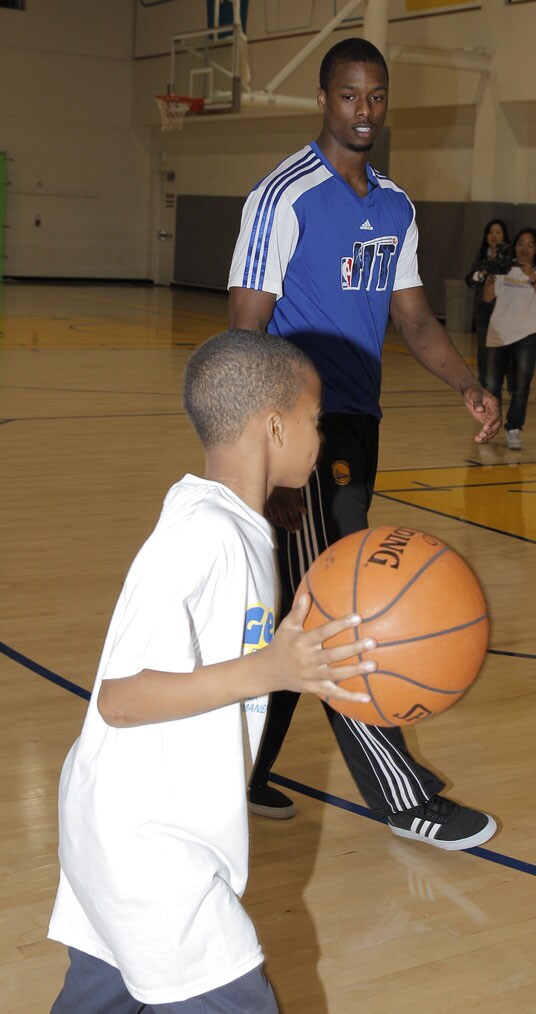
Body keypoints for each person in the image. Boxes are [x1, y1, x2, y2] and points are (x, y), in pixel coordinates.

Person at [47, 329, 378, 1013]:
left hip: (121, 819)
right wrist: (273, 669)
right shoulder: (205, 534)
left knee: (101, 998)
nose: (322, 438)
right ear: (275, 425)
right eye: (316, 421)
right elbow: (120, 698)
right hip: (148, 844)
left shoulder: (236, 523)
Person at [228, 37, 501, 850]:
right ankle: (401, 793)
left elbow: (413, 317)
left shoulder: (395, 207)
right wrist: (259, 441)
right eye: (350, 96)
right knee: (337, 604)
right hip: (292, 430)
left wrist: (465, 384)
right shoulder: (284, 197)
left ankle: (239, 774)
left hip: (359, 425)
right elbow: (244, 324)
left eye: (377, 98)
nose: (365, 112)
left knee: (299, 602)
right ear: (324, 99)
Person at [483, 227, 536, 450]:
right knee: (491, 385)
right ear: (514, 246)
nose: (525, 248)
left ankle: (513, 428)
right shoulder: (505, 268)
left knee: (521, 386)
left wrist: (532, 278)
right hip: (499, 333)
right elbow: (487, 298)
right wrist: (491, 276)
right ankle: (489, 425)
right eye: (521, 243)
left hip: (527, 335)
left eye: (530, 245)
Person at [465, 218, 511, 387]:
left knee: (506, 351)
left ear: (504, 236)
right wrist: (482, 274)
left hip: (505, 312)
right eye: (490, 232)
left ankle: (505, 381)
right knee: (484, 351)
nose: (494, 236)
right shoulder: (482, 255)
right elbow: (469, 280)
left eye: (498, 232)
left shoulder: (511, 257)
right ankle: (484, 386)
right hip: (484, 310)